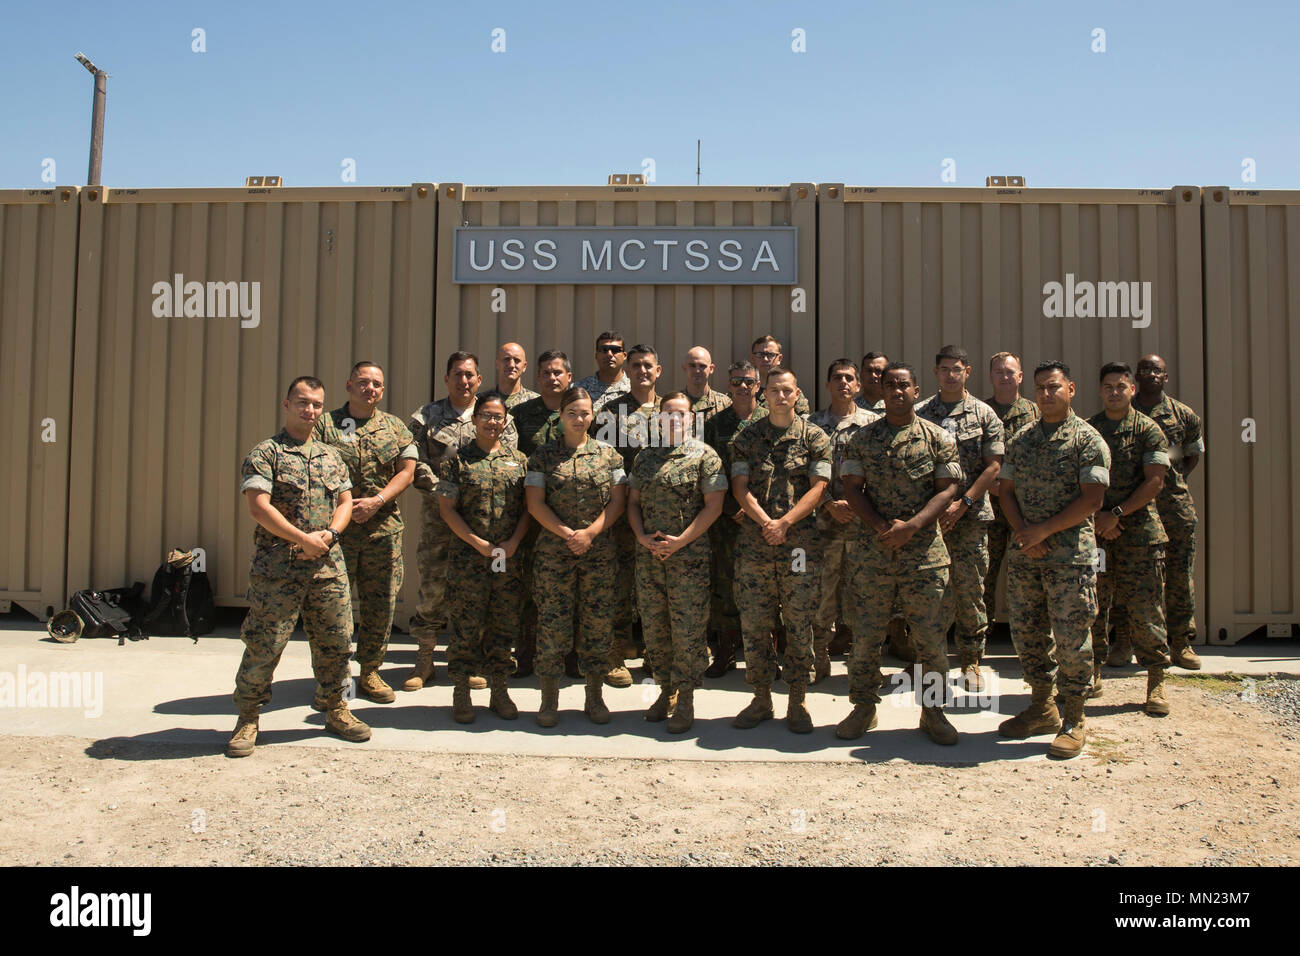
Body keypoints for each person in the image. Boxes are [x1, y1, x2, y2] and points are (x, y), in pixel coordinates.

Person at [227, 376, 370, 758]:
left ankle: (337, 708)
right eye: (303, 403)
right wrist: (301, 539)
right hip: (279, 568)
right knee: (265, 642)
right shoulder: (266, 454)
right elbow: (259, 507)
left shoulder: (331, 455)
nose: (310, 411)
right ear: (286, 404)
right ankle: (248, 717)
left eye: (317, 405)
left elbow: (345, 502)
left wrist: (330, 536)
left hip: (327, 566)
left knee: (338, 642)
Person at [835, 363, 964, 745]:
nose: (896, 391)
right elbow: (851, 486)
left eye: (903, 385)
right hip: (872, 553)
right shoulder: (862, 439)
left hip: (923, 554)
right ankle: (863, 707)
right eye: (889, 384)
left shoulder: (938, 437)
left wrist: (912, 526)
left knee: (930, 637)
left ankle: (934, 711)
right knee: (865, 636)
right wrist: (879, 526)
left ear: (915, 389)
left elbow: (948, 488)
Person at [997, 361, 1109, 760]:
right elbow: (1004, 490)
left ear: (1071, 389)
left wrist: (1041, 532)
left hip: (1069, 559)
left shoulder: (1087, 439)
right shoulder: (1022, 438)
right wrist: (1025, 534)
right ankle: (1042, 707)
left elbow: (1093, 500)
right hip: (1027, 554)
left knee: (1071, 637)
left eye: (1054, 387)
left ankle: (1075, 717)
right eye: (1041, 388)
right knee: (1027, 634)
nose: (1046, 394)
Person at [406, 352, 517, 692]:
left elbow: (507, 456)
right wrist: (444, 490)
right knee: (433, 588)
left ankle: (471, 660)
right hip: (440, 519)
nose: (464, 381)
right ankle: (424, 659)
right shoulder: (426, 416)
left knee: (476, 592)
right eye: (457, 374)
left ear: (479, 380)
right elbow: (414, 460)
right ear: (446, 378)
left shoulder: (495, 414)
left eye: (470, 375)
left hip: (483, 521)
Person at [729, 368, 831, 733]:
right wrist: (766, 523)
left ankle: (798, 698)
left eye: (787, 390)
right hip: (756, 545)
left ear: (797, 392)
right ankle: (760, 697)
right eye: (774, 390)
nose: (781, 396)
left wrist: (785, 523)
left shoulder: (814, 437)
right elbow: (739, 488)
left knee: (799, 621)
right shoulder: (746, 438)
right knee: (755, 623)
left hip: (799, 546)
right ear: (763, 394)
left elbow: (819, 488)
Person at [311, 361, 417, 706]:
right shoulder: (325, 425)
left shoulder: (394, 427)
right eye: (363, 382)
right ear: (349, 385)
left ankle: (370, 670)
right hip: (336, 532)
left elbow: (408, 471)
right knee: (332, 607)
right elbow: (312, 466)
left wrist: (377, 500)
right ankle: (334, 679)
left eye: (376, 384)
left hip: (382, 531)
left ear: (382, 391)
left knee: (381, 604)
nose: (369, 388)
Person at [525, 387, 628, 726]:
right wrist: (567, 534)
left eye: (585, 413)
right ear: (561, 415)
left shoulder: (609, 456)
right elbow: (534, 504)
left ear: (592, 416)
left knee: (597, 626)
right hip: (556, 554)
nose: (579, 419)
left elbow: (617, 502)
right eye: (572, 413)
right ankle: (549, 700)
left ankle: (594, 696)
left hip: (598, 554)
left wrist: (590, 533)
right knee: (553, 625)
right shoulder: (541, 456)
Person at [627, 392, 727, 732]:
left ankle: (686, 698)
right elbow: (633, 503)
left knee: (687, 631)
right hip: (650, 557)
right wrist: (640, 536)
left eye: (681, 414)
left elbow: (714, 506)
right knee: (655, 629)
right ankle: (664, 689)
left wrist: (682, 541)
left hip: (689, 561)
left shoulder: (705, 457)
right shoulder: (644, 458)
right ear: (658, 419)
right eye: (668, 413)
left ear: (691, 419)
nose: (674, 419)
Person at [436, 392, 531, 723]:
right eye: (486, 415)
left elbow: (527, 509)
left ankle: (499, 689)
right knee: (465, 625)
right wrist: (477, 543)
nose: (492, 421)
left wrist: (514, 542)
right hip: (470, 558)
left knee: (504, 623)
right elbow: (447, 509)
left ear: (505, 422)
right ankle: (461, 690)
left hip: (507, 558)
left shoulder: (519, 461)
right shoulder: (457, 460)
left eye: (498, 417)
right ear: (474, 420)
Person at [915, 345, 1005, 691]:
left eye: (957, 369)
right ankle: (931, 661)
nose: (951, 374)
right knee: (930, 592)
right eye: (944, 369)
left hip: (970, 517)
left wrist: (964, 502)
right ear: (935, 372)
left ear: (968, 372)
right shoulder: (922, 413)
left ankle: (971, 661)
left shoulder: (984, 415)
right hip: (931, 520)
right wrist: (933, 512)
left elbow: (993, 466)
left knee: (970, 591)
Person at [1086, 363, 1174, 714]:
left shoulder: (1149, 430)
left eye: (1121, 386)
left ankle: (1156, 680)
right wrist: (1097, 519)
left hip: (1139, 535)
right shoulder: (1090, 430)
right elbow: (1077, 481)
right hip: (1097, 535)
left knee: (1146, 608)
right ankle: (1091, 671)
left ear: (1133, 390)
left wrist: (1116, 515)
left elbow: (1155, 481)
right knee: (1092, 605)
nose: (1114, 392)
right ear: (1100, 390)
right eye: (1108, 386)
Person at [1109, 354, 1205, 670]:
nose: (1151, 374)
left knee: (1178, 577)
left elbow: (1192, 455)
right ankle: (1122, 642)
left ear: (1166, 376)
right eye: (1145, 370)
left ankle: (1181, 643)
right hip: (1132, 510)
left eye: (1157, 370)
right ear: (1135, 380)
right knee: (1124, 577)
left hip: (1173, 507)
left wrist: (1170, 477)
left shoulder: (1183, 415)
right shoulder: (1121, 414)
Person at [592, 344, 664, 687]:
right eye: (636, 366)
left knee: (656, 585)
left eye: (648, 366)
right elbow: (603, 462)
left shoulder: (673, 411)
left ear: (658, 370)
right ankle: (616, 654)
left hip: (662, 513)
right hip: (621, 512)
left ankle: (656, 653)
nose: (642, 371)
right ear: (627, 369)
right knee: (618, 583)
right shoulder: (610, 412)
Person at [807, 359, 879, 680]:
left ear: (858, 385)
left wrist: (857, 506)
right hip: (822, 524)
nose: (843, 383)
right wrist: (828, 503)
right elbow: (803, 472)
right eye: (837, 378)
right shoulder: (812, 424)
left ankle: (863, 664)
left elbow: (880, 475)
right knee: (820, 593)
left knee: (864, 595)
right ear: (827, 385)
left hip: (862, 525)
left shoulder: (874, 424)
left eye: (849, 378)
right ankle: (818, 656)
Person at [508, 350, 573, 676]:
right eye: (546, 372)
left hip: (572, 513)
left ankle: (572, 654)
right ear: (538, 378)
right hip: (531, 513)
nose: (552, 378)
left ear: (569, 377)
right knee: (529, 582)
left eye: (558, 372)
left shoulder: (580, 412)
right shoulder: (520, 414)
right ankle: (527, 652)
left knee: (572, 582)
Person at [702, 361, 762, 677]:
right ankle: (725, 651)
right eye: (736, 381)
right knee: (726, 583)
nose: (742, 387)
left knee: (765, 587)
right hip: (726, 519)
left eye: (748, 382)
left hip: (764, 519)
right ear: (728, 385)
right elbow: (710, 470)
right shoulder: (715, 424)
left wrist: (758, 512)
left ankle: (765, 655)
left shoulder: (771, 418)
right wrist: (729, 508)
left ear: (758, 385)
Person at [983, 352, 1041, 627]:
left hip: (1025, 507)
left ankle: (1028, 636)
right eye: (999, 372)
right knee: (984, 573)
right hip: (988, 509)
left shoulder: (1037, 411)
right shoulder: (980, 412)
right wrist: (991, 486)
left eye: (1010, 372)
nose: (1005, 377)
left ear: (1020, 376)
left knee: (1028, 573)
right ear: (990, 376)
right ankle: (978, 640)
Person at [750, 336, 812, 418]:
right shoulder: (743, 391)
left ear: (779, 359)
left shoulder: (790, 392)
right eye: (760, 354)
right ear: (752, 358)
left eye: (770, 355)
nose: (765, 359)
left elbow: (804, 420)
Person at [575, 331, 630, 413]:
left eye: (615, 350)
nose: (609, 354)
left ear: (624, 356)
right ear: (596, 355)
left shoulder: (634, 389)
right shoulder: (579, 388)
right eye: (604, 350)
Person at [682, 346, 732, 429]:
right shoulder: (674, 404)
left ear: (711, 369)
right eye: (692, 365)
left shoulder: (725, 404)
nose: (697, 371)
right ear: (684, 368)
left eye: (702, 366)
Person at [481, 342, 539, 409]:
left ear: (524, 366)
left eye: (517, 360)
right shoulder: (481, 401)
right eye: (506, 359)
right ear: (497, 364)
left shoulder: (536, 402)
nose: (511, 365)